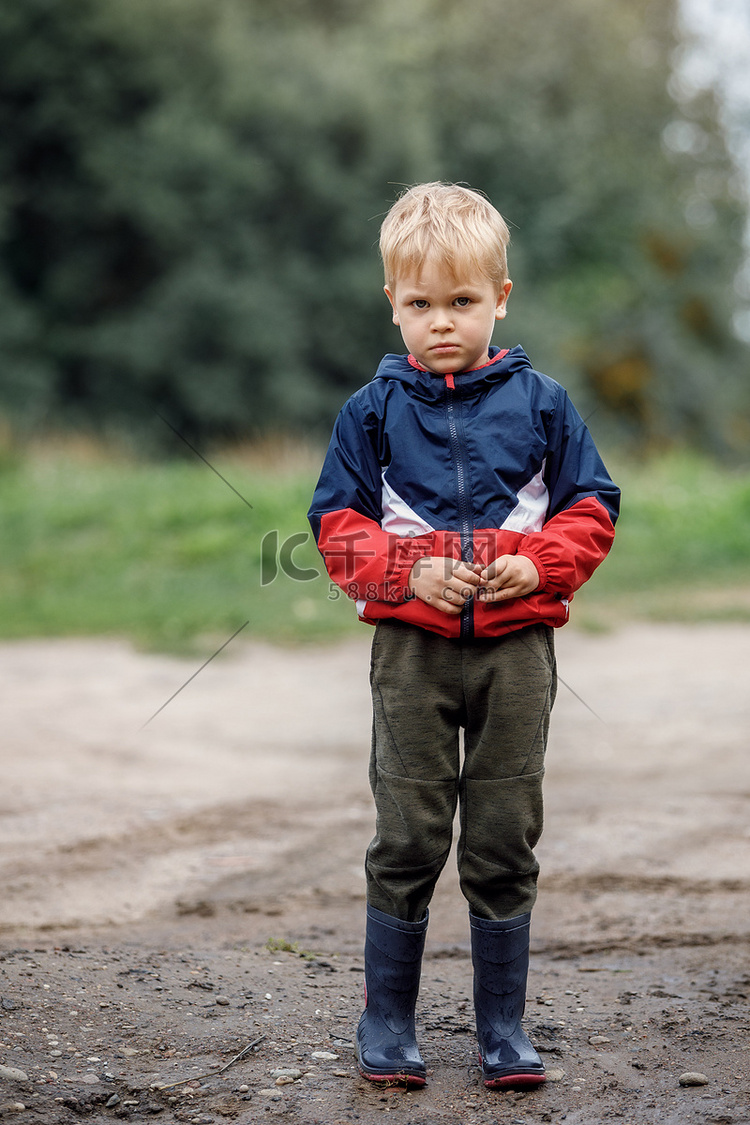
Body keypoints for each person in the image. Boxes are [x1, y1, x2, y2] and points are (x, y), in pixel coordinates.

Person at [307, 182, 620, 1091]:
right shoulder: (369, 412)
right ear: (392, 305)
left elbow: (593, 504)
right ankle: (388, 1018)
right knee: (407, 830)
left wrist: (543, 565)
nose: (440, 323)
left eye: (462, 302)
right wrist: (406, 574)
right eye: (420, 304)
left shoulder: (546, 405)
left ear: (501, 298)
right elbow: (336, 527)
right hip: (412, 653)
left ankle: (502, 1028)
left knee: (504, 833)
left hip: (517, 653)